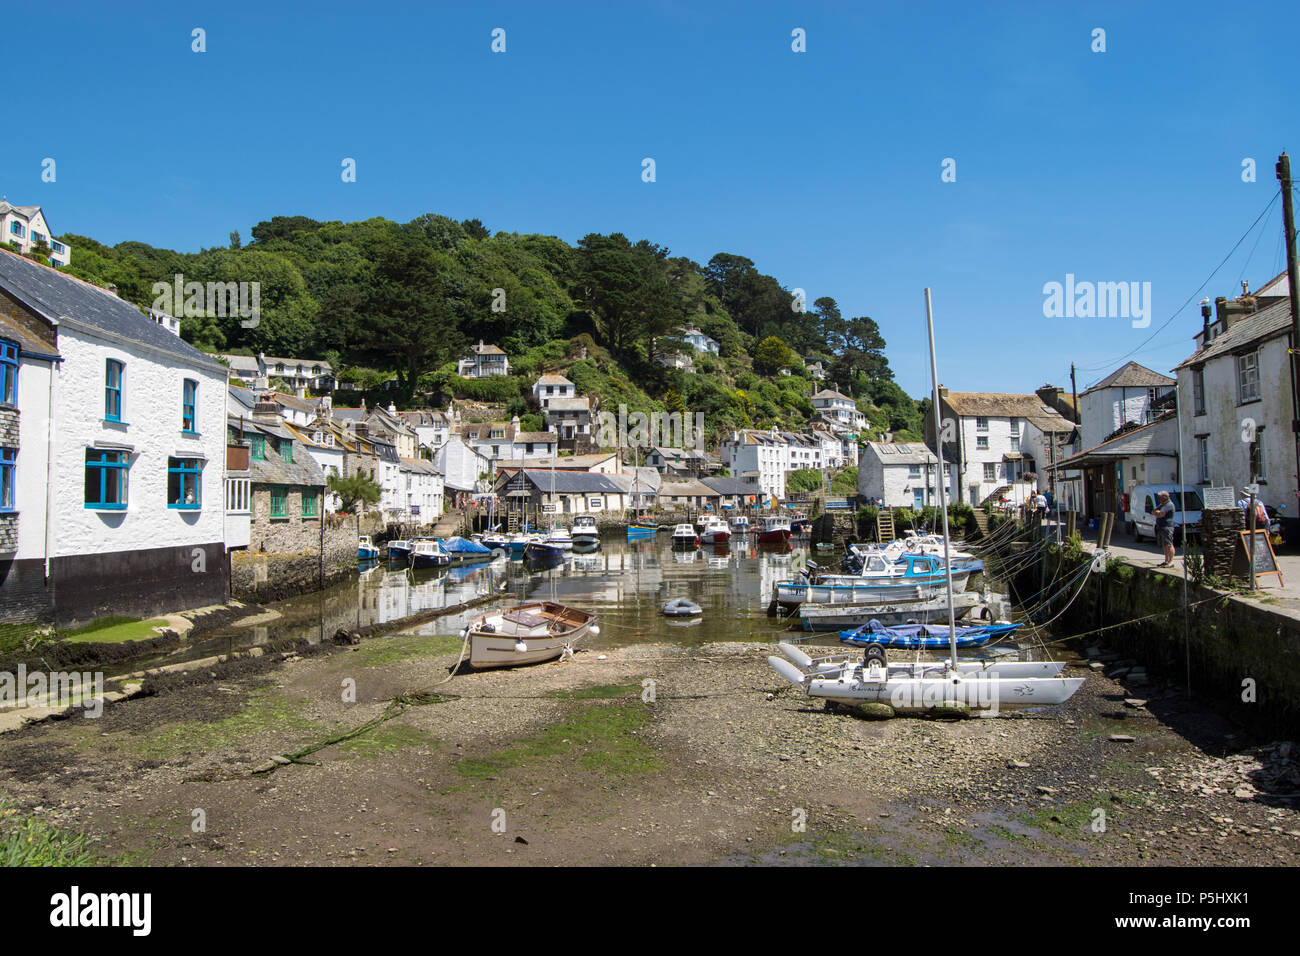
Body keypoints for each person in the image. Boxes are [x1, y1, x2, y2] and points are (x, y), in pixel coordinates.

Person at [1154, 490, 1177, 567]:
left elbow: (1161, 514)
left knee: (1169, 544)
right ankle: (1166, 560)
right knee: (1165, 545)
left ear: (1164, 497)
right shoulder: (1162, 504)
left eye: (1160, 497)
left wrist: (1157, 513)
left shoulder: (1168, 505)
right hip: (1162, 527)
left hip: (1167, 527)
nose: (1159, 499)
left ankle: (1171, 562)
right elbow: (1153, 511)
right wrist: (1156, 512)